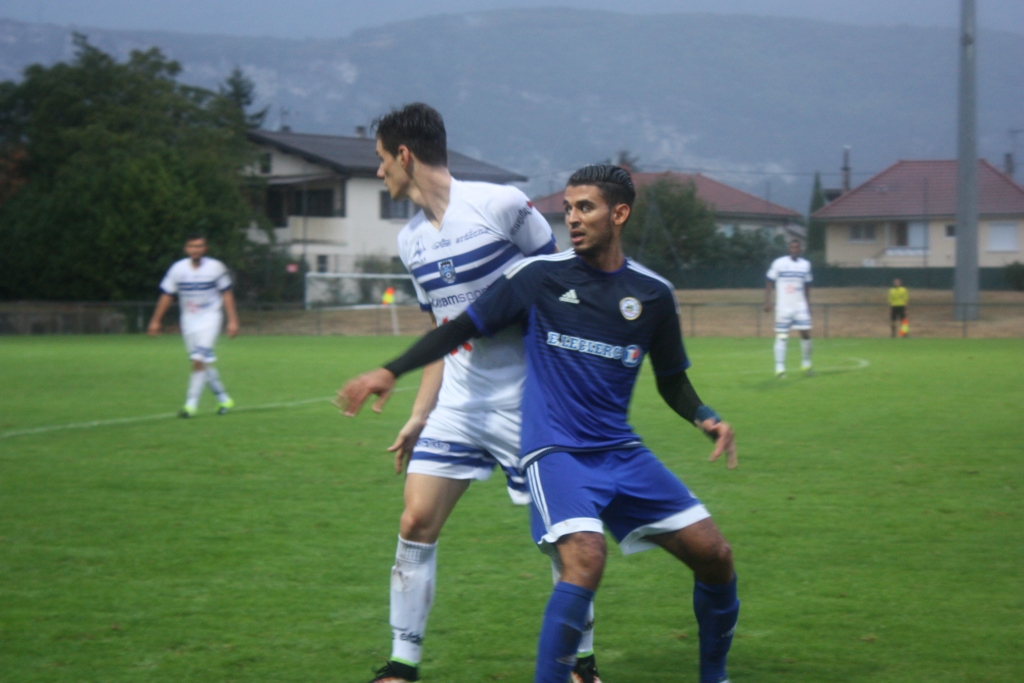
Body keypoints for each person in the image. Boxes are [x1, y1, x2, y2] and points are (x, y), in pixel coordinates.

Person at [340, 165, 740, 683]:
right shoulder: (538, 277)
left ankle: (715, 677)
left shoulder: (654, 293)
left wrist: (706, 417)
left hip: (621, 451)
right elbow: (457, 328)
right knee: (585, 558)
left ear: (619, 214)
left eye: (586, 208)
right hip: (556, 453)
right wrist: (389, 370)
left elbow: (672, 380)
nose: (572, 218)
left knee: (717, 556)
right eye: (568, 208)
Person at [347, 103, 604, 683]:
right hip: (460, 403)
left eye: (381, 159)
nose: (379, 171)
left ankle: (581, 664)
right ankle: (401, 664)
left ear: (405, 155)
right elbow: (445, 332)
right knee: (415, 521)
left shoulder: (501, 207)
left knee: (560, 542)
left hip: (529, 402)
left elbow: (561, 286)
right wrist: (420, 413)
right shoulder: (411, 242)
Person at [148, 234, 238, 417]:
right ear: (186, 249)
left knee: (198, 360)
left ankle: (190, 405)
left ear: (205, 249)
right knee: (201, 362)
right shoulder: (177, 269)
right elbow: (167, 295)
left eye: (199, 246)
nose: (196, 249)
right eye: (192, 246)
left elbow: (227, 294)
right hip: (189, 320)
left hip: (211, 318)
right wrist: (156, 320)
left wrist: (233, 320)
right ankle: (223, 398)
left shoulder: (215, 267)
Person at [764, 239, 813, 377]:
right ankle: (779, 368)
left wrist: (808, 304)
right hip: (783, 306)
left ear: (800, 250)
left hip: (800, 306)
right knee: (782, 336)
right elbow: (769, 281)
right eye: (792, 247)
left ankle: (806, 363)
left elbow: (807, 285)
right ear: (788, 249)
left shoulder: (805, 265)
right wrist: (768, 302)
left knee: (806, 333)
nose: (794, 249)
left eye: (797, 247)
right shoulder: (779, 263)